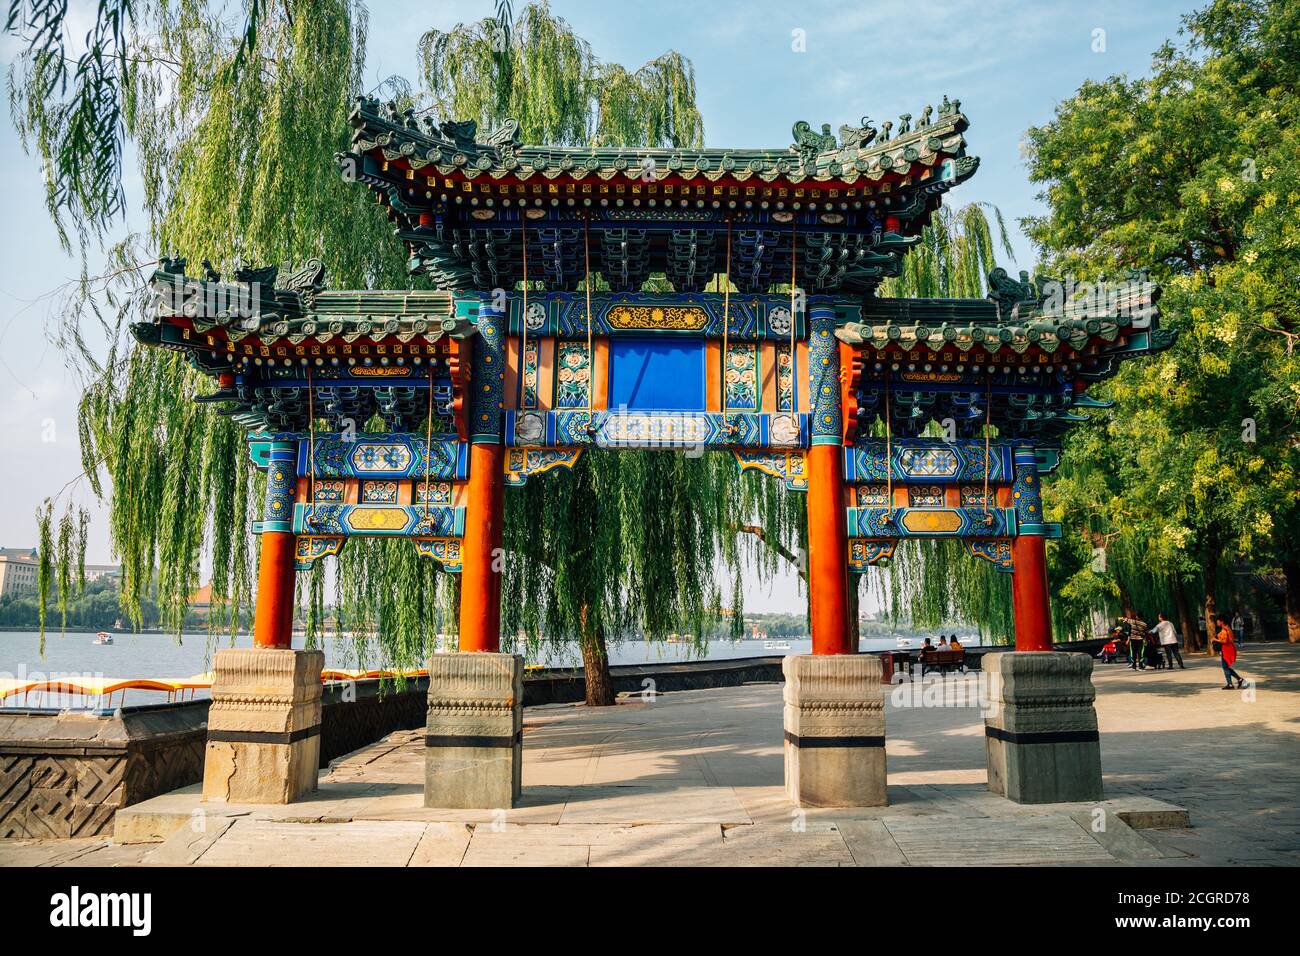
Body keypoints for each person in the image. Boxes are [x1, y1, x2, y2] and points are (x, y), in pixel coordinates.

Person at [1215, 614, 1245, 690]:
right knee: (1226, 667)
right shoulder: (1227, 628)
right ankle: (1239, 679)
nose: (1217, 622)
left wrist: (1215, 639)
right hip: (1229, 648)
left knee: (1225, 667)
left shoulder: (1224, 630)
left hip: (1227, 649)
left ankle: (1230, 684)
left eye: (1218, 621)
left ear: (1222, 621)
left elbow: (1225, 641)